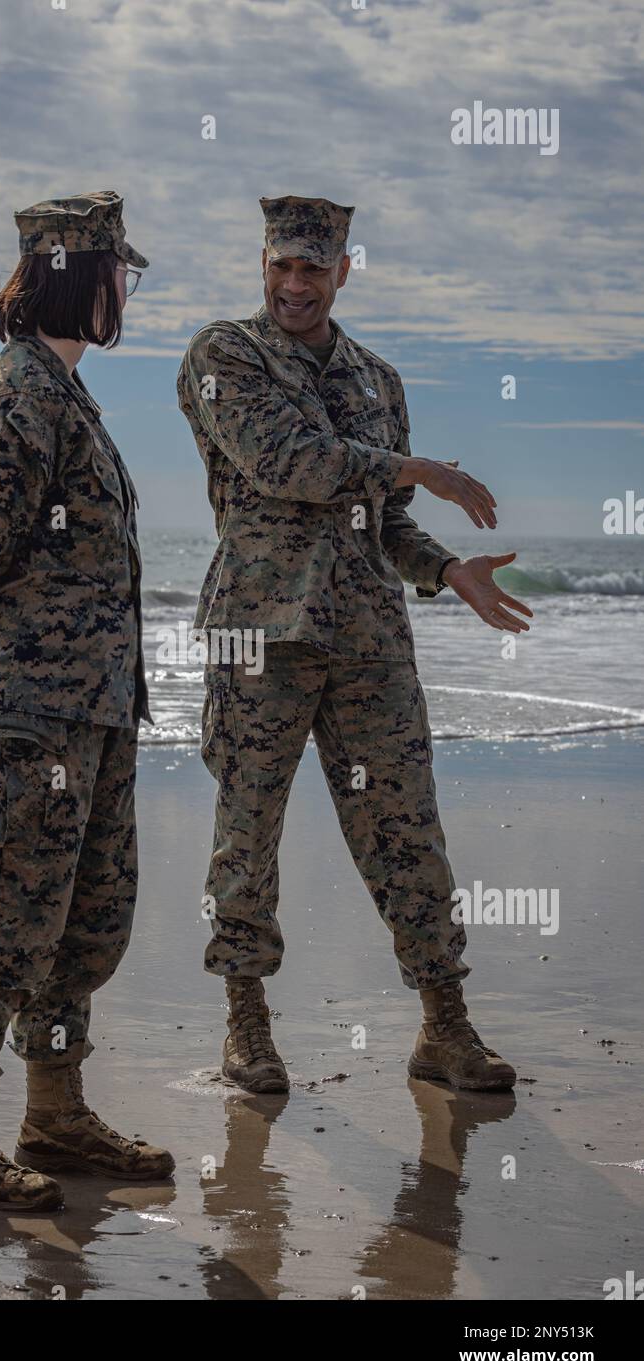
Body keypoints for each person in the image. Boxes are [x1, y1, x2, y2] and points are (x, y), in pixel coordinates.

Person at [177, 195, 533, 1096]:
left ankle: (444, 1026)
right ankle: (246, 1027)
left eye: (312, 267)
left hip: (370, 637)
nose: (294, 283)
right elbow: (287, 464)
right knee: (246, 833)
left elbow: (387, 519)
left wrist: (446, 570)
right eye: (279, 265)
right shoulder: (225, 355)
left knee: (406, 828)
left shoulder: (377, 378)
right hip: (261, 636)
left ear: (343, 269)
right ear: (262, 265)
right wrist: (417, 468)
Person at [0, 192, 174, 1211]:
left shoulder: (68, 396)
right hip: (28, 707)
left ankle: (55, 1114)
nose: (126, 292)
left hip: (94, 706)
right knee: (13, 914)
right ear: (80, 274)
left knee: (88, 920)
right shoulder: (16, 398)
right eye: (120, 274)